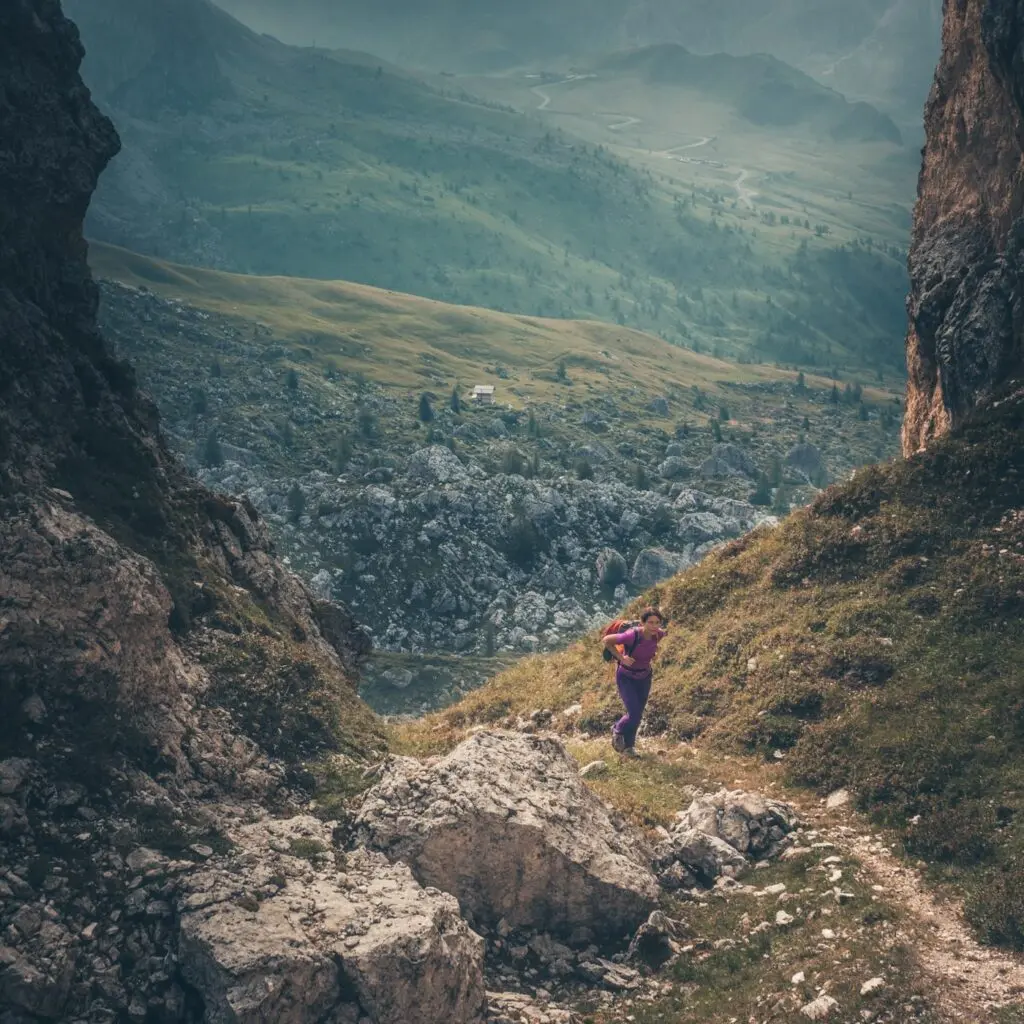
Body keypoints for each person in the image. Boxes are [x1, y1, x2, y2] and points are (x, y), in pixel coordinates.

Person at [603, 607, 667, 757]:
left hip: (645, 677)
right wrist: (622, 658)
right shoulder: (632, 635)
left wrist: (654, 652)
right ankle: (617, 730)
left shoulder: (658, 634)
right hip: (626, 677)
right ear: (642, 623)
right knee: (633, 714)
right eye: (650, 622)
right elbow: (607, 640)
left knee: (637, 715)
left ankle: (629, 748)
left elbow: (662, 636)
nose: (654, 626)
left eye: (657, 622)